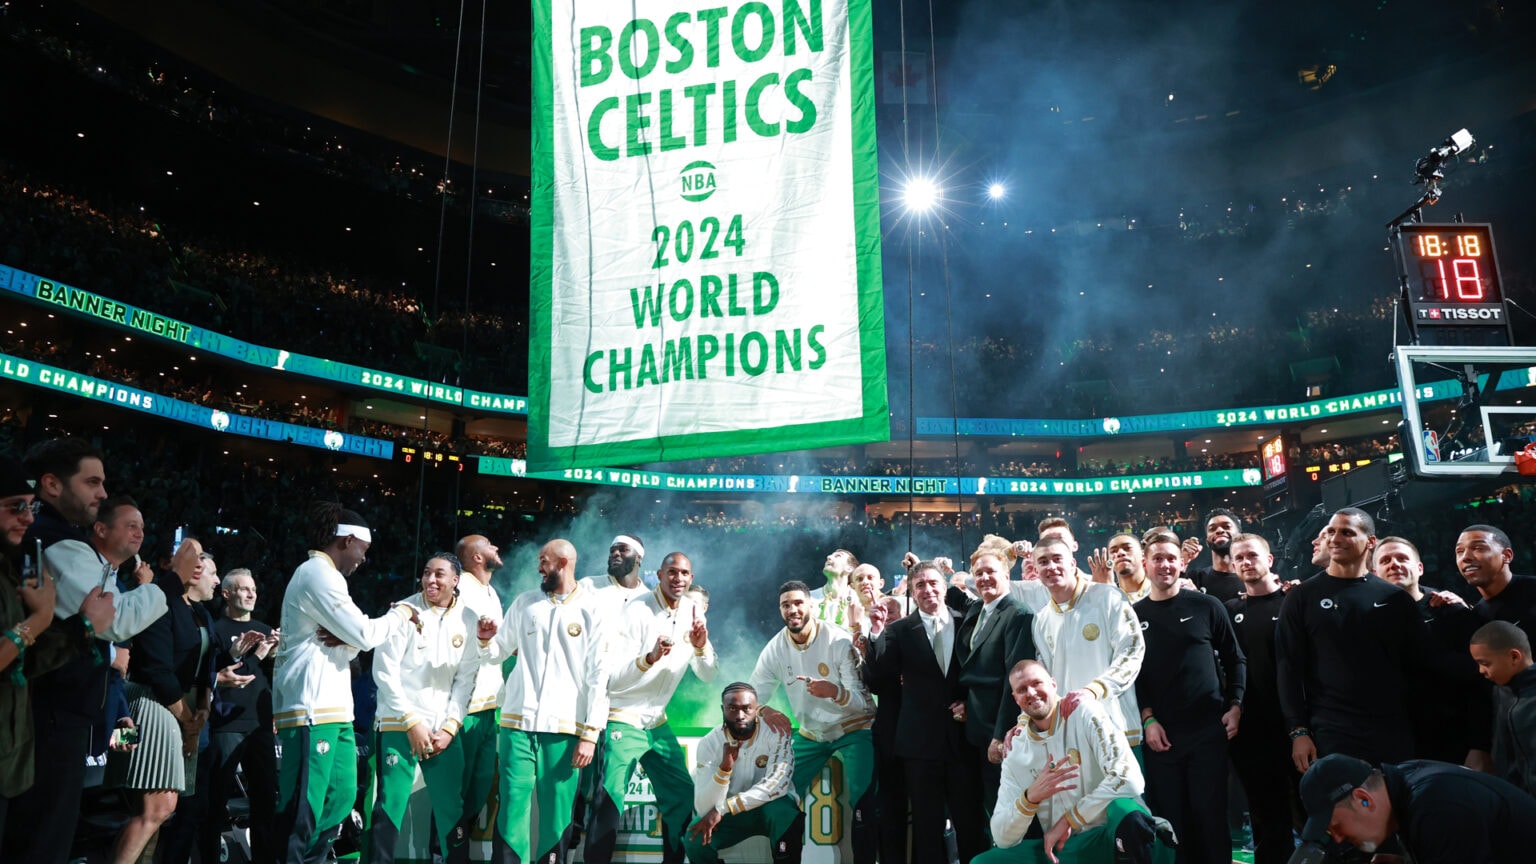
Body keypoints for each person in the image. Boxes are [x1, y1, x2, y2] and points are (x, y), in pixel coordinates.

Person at [3, 438, 135, 864]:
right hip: (46, 723)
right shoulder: (48, 545)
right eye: (15, 507)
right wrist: (44, 624)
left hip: (42, 725)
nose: (27, 518)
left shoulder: (32, 551)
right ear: (52, 484)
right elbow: (117, 623)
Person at [271, 503, 419, 864]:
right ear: (348, 540)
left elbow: (354, 642)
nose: (363, 560)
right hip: (308, 709)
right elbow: (366, 635)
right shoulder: (316, 574)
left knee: (338, 802)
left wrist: (355, 636)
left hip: (335, 710)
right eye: (363, 551)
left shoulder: (329, 578)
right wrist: (401, 613)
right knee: (303, 808)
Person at [475, 538, 608, 864]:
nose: (538, 567)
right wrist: (484, 640)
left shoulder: (593, 609)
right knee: (511, 807)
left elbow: (599, 677)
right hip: (516, 724)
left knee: (557, 813)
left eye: (544, 560)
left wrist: (590, 734)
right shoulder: (525, 602)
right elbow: (498, 652)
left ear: (563, 562)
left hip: (565, 729)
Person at [586, 551, 716, 864]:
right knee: (609, 801)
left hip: (657, 723)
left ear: (691, 578)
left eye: (684, 573)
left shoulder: (692, 611)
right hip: (622, 718)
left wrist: (700, 647)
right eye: (672, 572)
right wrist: (649, 658)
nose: (678, 579)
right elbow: (613, 681)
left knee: (683, 796)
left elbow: (708, 674)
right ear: (658, 575)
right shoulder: (636, 611)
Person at [976, 659, 1167, 864]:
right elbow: (1001, 837)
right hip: (1065, 847)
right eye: (1022, 689)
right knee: (984, 862)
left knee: (1127, 812)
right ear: (1015, 699)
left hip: (1113, 835)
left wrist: (1070, 818)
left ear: (1053, 684)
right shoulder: (1015, 749)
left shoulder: (1084, 712)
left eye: (1037, 683)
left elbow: (1130, 779)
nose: (1031, 692)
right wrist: (1030, 798)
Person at [1277, 508, 1424, 771]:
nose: (1335, 538)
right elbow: (1288, 668)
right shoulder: (1301, 597)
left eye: (1347, 532)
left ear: (1370, 542)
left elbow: (1417, 667)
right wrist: (1298, 731)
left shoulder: (1396, 599)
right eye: (1331, 531)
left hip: (1392, 728)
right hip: (1331, 730)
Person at [865, 562, 987, 863]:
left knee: (971, 824)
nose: (928, 589)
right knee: (926, 829)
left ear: (945, 587)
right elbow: (880, 683)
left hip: (963, 741)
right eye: (919, 585)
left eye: (933, 583)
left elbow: (983, 675)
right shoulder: (897, 630)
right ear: (912, 591)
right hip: (919, 747)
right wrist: (876, 634)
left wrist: (970, 705)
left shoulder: (967, 622)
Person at [1134, 537, 1245, 864]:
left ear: (1182, 563)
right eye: (1157, 559)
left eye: (1171, 558)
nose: (1165, 565)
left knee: (1210, 818)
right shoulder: (1132, 616)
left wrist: (1236, 706)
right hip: (1161, 737)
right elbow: (1132, 676)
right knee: (1171, 821)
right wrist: (1148, 718)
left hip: (1208, 731)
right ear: (1145, 564)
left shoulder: (1207, 606)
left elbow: (1235, 659)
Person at [753, 579, 878, 864]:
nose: (792, 610)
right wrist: (764, 710)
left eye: (798, 603)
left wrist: (834, 692)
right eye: (786, 605)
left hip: (855, 728)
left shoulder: (838, 640)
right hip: (811, 735)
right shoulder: (775, 648)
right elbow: (752, 694)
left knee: (862, 802)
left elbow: (860, 702)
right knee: (778, 791)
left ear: (811, 605)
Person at [368, 553, 482, 863]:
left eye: (440, 575)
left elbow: (466, 680)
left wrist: (450, 727)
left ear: (455, 580)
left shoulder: (469, 619)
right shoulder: (403, 612)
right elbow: (384, 672)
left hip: (442, 730)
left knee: (451, 809)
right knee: (390, 803)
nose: (431, 580)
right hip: (399, 725)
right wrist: (411, 722)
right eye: (427, 573)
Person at [110, 536, 213, 864]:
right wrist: (188, 720)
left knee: (160, 812)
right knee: (156, 807)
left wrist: (199, 714)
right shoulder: (158, 598)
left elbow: (204, 668)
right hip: (149, 707)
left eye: (201, 557)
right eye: (189, 555)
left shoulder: (194, 610)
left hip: (180, 712)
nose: (197, 563)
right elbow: (154, 668)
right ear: (168, 563)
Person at [1374, 535, 1488, 767]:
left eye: (1402, 558)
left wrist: (1481, 745)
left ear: (1420, 568)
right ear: (1374, 573)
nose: (1394, 564)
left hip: (1454, 742)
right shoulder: (1366, 620)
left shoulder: (1452, 612)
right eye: (1385, 560)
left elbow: (1481, 682)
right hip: (1395, 747)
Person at [1298, 753, 1536, 863]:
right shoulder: (1404, 781)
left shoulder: (1437, 807)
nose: (1338, 839)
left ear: (1364, 799)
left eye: (1336, 826)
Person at [1026, 537, 1145, 749]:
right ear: (1036, 569)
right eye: (1043, 562)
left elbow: (1132, 651)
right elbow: (1044, 677)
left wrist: (1095, 690)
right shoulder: (1041, 620)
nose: (1051, 567)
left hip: (1115, 727)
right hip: (1069, 733)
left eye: (1057, 559)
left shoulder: (1109, 598)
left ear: (1072, 564)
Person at [1224, 534, 1299, 864]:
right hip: (1251, 729)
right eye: (1238, 558)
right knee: (1266, 818)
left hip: (1298, 724)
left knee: (1310, 807)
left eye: (1252, 555)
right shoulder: (1229, 611)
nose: (1245, 562)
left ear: (1269, 560)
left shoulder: (1294, 600)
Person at [199, 567, 279, 864]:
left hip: (260, 726)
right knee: (215, 802)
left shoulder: (266, 630)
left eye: (254, 589)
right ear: (226, 594)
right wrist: (233, 655)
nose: (250, 594)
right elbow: (212, 675)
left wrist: (275, 654)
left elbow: (270, 677)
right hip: (225, 725)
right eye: (243, 588)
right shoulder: (215, 629)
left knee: (265, 801)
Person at [955, 538, 1036, 813]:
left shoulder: (1018, 614)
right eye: (978, 573)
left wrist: (1001, 734)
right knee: (986, 805)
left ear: (1006, 574)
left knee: (1008, 808)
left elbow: (1015, 682)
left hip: (998, 730)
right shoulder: (978, 609)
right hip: (974, 728)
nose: (984, 578)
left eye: (991, 571)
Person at [683, 682, 803, 864]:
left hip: (767, 809)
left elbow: (777, 785)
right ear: (723, 709)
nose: (740, 716)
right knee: (695, 837)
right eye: (732, 708)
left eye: (747, 708)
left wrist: (724, 807)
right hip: (731, 816)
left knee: (783, 812)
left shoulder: (776, 733)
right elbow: (702, 807)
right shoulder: (710, 742)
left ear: (757, 709)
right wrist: (724, 770)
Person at [0, 454, 55, 837]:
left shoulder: (9, 567)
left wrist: (85, 627)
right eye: (16, 507)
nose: (29, 517)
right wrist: (37, 620)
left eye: (31, 506)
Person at [450, 534, 507, 854]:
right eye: (490, 544)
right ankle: (444, 851)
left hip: (489, 707)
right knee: (459, 790)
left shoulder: (490, 591)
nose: (496, 547)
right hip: (467, 707)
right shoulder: (461, 591)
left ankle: (458, 850)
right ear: (475, 557)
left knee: (480, 785)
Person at [1469, 621, 1536, 796]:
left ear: (1514, 657)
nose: (1481, 671)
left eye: (1485, 663)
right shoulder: (1501, 690)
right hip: (1511, 797)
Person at [1456, 524, 1536, 647]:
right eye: (1459, 551)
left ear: (1507, 556)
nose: (1465, 557)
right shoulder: (1477, 616)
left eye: (1478, 548)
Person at [1181, 509, 1245, 604]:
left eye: (1226, 526)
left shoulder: (1251, 579)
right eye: (1212, 529)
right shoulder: (1195, 578)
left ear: (1240, 537)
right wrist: (1183, 560)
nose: (1219, 530)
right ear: (1207, 541)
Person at [811, 548, 860, 629]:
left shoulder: (858, 601)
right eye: (830, 555)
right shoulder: (808, 598)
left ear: (849, 568)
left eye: (838, 556)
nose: (828, 557)